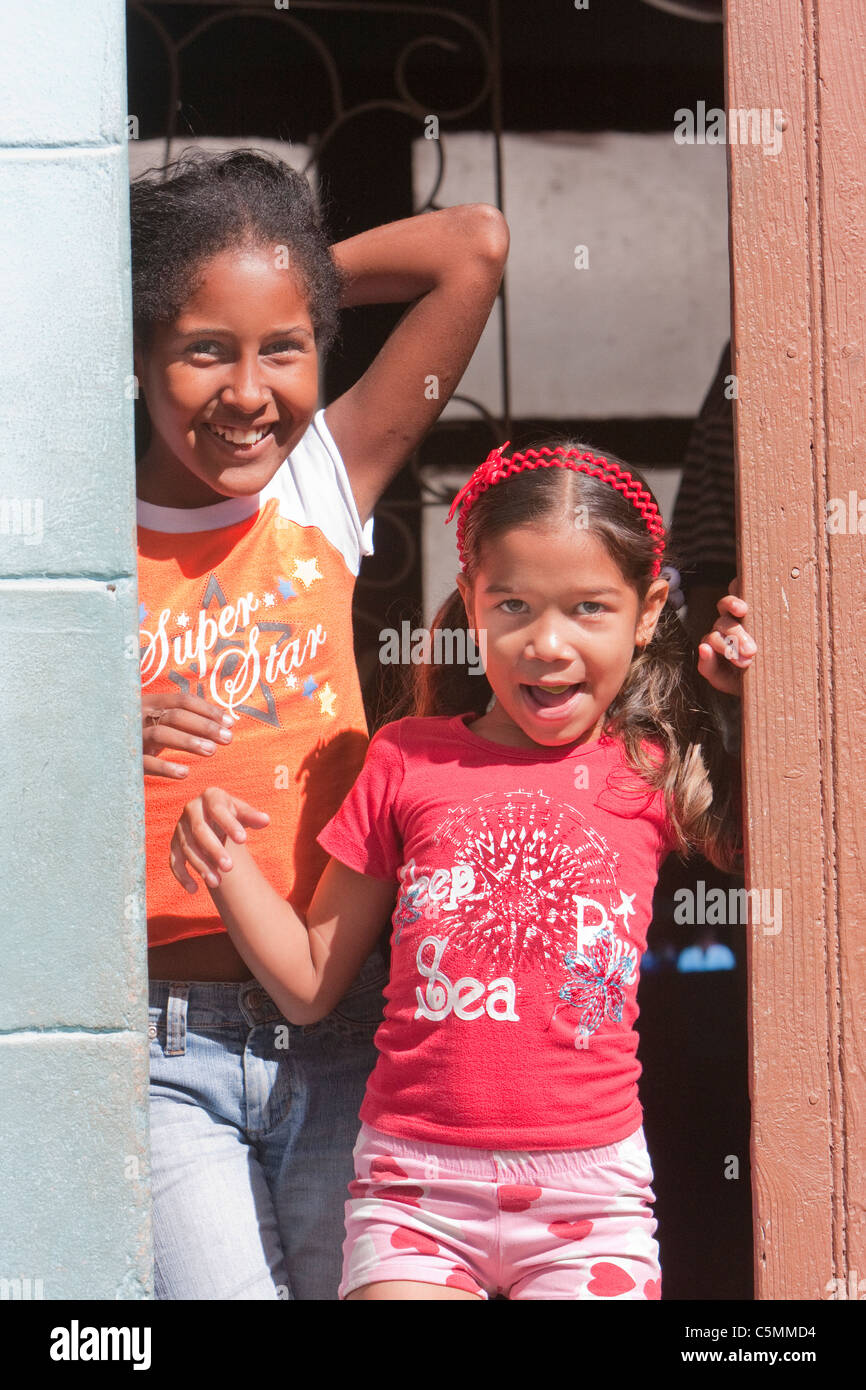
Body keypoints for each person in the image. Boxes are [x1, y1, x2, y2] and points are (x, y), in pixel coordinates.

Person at [169, 439, 756, 1300]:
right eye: (513, 605)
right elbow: (306, 984)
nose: (546, 644)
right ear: (472, 606)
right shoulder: (404, 762)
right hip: (413, 1196)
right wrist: (225, 865)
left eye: (589, 608)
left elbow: (792, 857)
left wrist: (753, 703)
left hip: (592, 1199)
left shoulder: (654, 767)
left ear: (648, 609)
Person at [132, 148, 508, 1300]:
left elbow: (473, 247)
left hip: (345, 1023)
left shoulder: (323, 478)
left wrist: (277, 277)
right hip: (156, 1048)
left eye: (283, 345)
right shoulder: (70, 536)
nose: (249, 391)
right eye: (205, 346)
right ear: (139, 343)